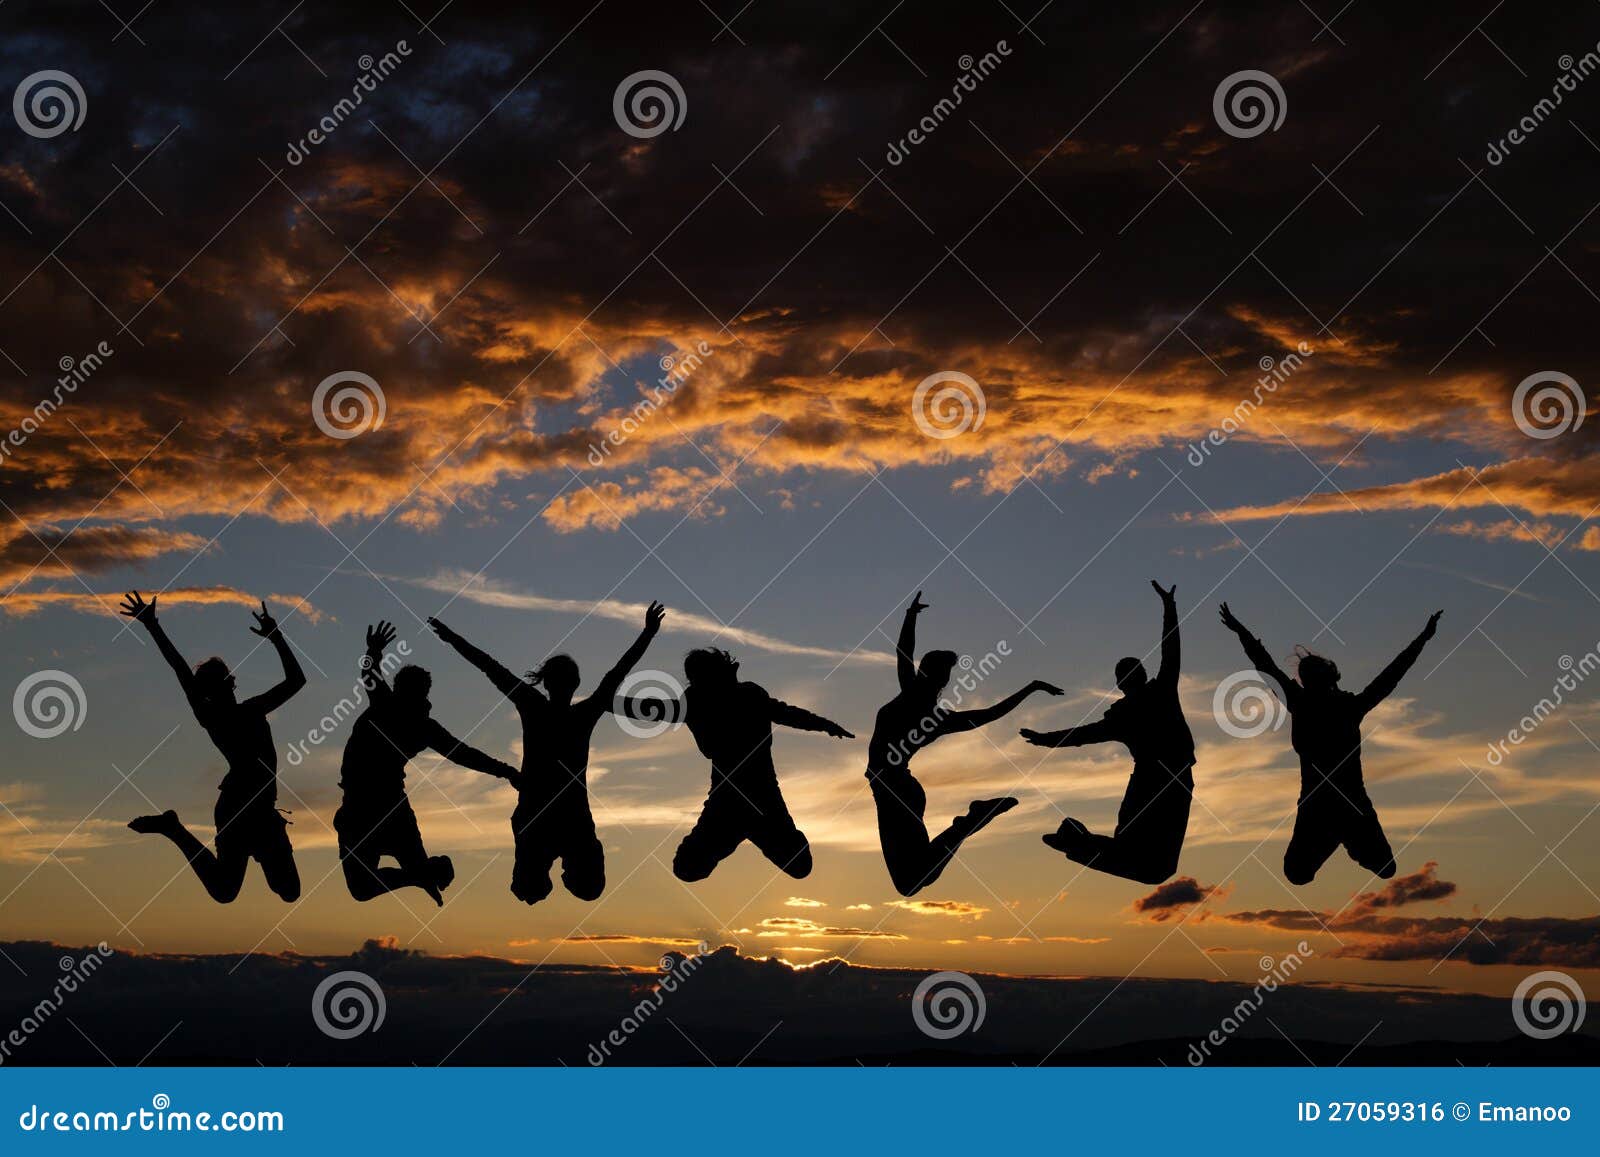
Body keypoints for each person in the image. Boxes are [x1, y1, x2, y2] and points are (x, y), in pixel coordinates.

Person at [428, 601, 665, 904]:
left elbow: (489, 666)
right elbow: (617, 672)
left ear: (549, 683)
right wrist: (647, 634)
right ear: (572, 684)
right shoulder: (567, 711)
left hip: (553, 818)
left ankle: (557, 872)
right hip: (551, 818)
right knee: (533, 891)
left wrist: (451, 638)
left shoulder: (539, 706)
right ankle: (548, 875)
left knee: (562, 890)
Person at [1219, 601, 1442, 885]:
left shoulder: (1335, 705)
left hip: (1349, 803)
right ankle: (1339, 834)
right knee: (1296, 875)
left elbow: (1391, 676)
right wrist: (1240, 630)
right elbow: (1264, 665)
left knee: (1386, 869)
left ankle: (1342, 835)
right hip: (1318, 805)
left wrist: (1422, 639)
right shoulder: (1310, 703)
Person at [867, 591, 1062, 895]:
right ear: (943, 682)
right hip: (897, 789)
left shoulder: (914, 699)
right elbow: (989, 714)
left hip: (895, 789)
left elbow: (903, 652)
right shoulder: (933, 714)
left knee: (912, 881)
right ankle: (972, 819)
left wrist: (911, 614)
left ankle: (972, 819)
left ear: (925, 674)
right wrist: (1031, 688)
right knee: (917, 877)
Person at [121, 592, 306, 903]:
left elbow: (297, 681)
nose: (225, 686)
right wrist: (153, 627)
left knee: (287, 892)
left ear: (231, 683)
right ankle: (173, 829)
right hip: (237, 810)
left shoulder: (248, 710)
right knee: (226, 891)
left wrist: (277, 638)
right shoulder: (216, 716)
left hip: (259, 812)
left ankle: (174, 829)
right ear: (221, 687)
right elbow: (180, 670)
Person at [622, 648, 852, 881]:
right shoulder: (697, 701)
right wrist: (605, 702)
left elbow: (786, 713)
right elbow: (650, 708)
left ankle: (751, 830)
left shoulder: (749, 695)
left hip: (762, 798)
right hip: (727, 802)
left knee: (801, 867)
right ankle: (744, 831)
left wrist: (824, 725)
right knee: (686, 869)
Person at [335, 621, 520, 906]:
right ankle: (424, 874)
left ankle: (426, 873)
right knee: (362, 889)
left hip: (389, 809)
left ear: (418, 694)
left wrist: (504, 770)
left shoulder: (417, 723)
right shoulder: (389, 705)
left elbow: (462, 753)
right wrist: (373, 650)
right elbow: (369, 673)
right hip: (360, 808)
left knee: (371, 886)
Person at [1023, 580, 1195, 885]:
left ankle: (1073, 839)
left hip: (1166, 781)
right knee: (1153, 867)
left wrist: (1045, 739)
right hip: (1162, 781)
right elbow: (1171, 650)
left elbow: (1081, 735)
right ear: (1136, 678)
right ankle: (1074, 839)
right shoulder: (1144, 703)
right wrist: (1169, 608)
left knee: (1152, 866)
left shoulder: (1153, 697)